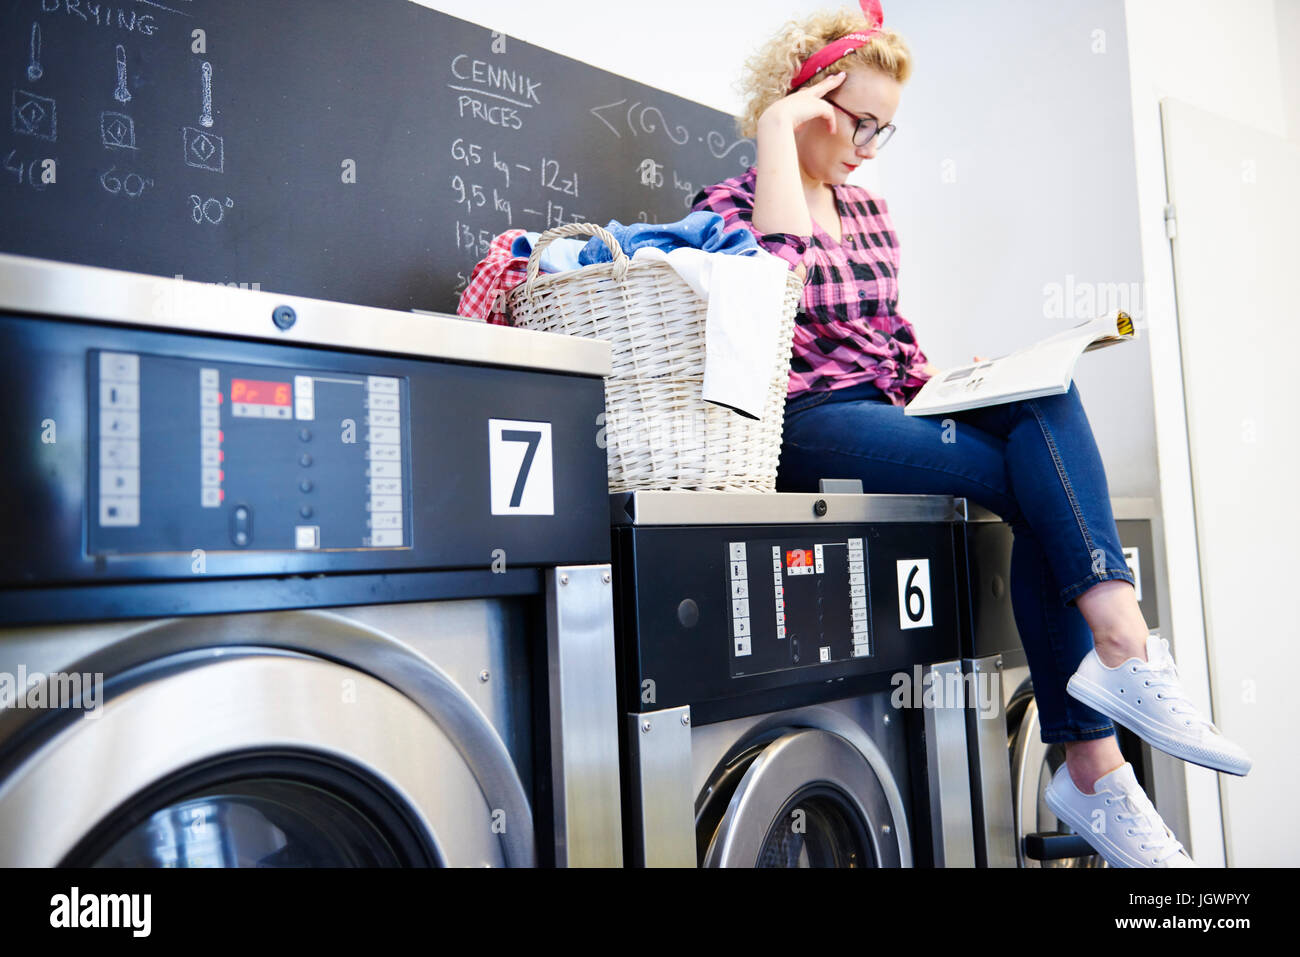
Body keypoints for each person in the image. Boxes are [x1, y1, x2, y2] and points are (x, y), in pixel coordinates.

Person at [692, 0, 1251, 869]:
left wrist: (963, 385)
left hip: (883, 408)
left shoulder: (871, 213)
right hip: (806, 421)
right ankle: (1117, 681)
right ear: (806, 96)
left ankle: (1105, 711)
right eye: (858, 122)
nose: (869, 147)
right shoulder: (732, 203)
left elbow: (892, 341)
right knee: (1035, 472)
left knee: (1043, 400)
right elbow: (768, 312)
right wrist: (774, 131)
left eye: (886, 130)